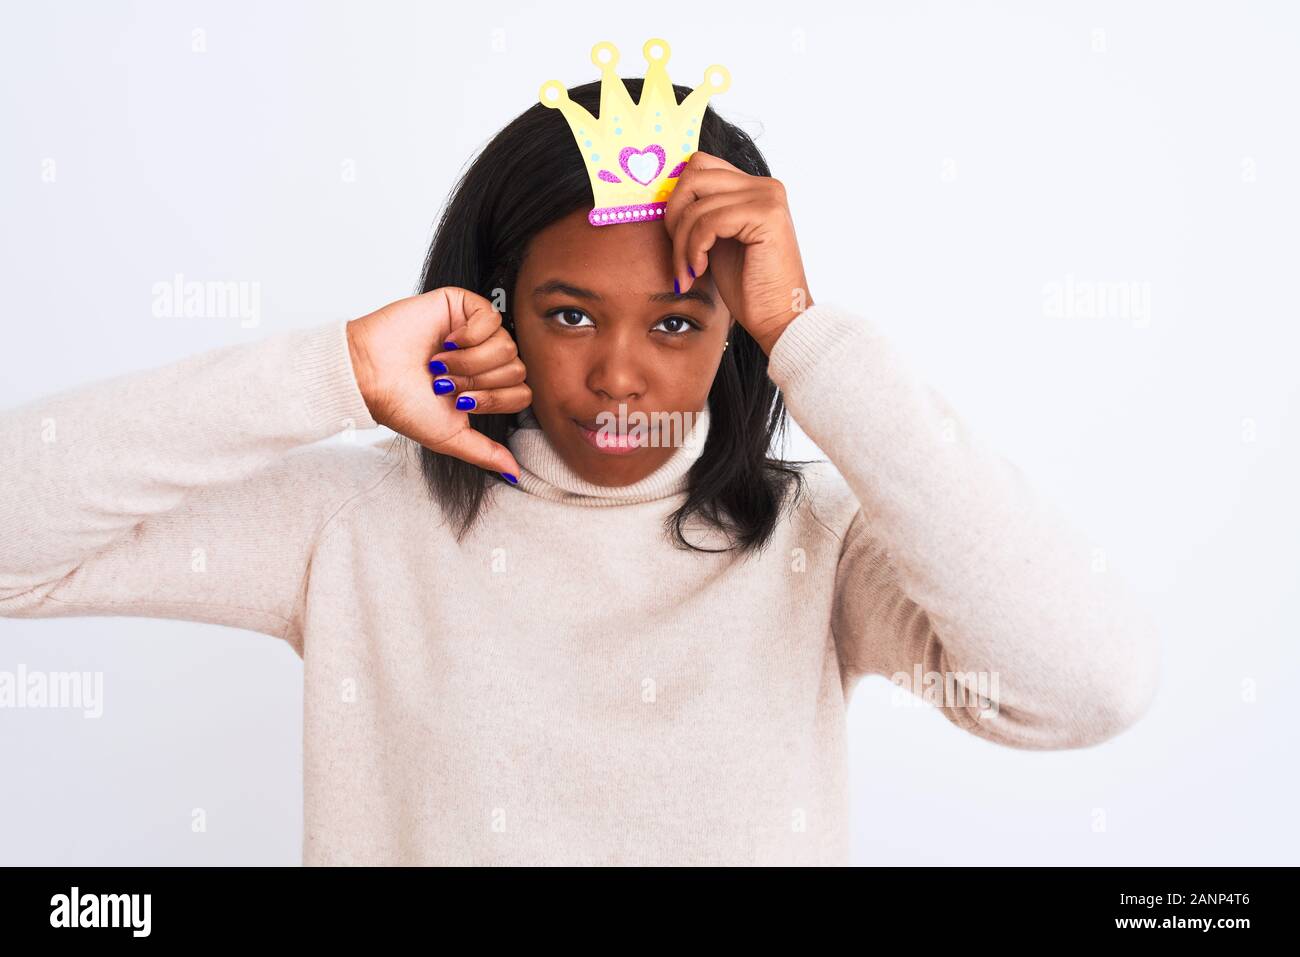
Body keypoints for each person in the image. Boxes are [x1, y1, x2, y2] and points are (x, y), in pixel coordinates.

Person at [0, 76, 1160, 866]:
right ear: (492, 307)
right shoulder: (350, 523)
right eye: (568, 314)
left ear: (733, 331)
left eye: (676, 324)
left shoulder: (822, 543)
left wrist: (808, 336)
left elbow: (1086, 686)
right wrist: (331, 372)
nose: (617, 377)